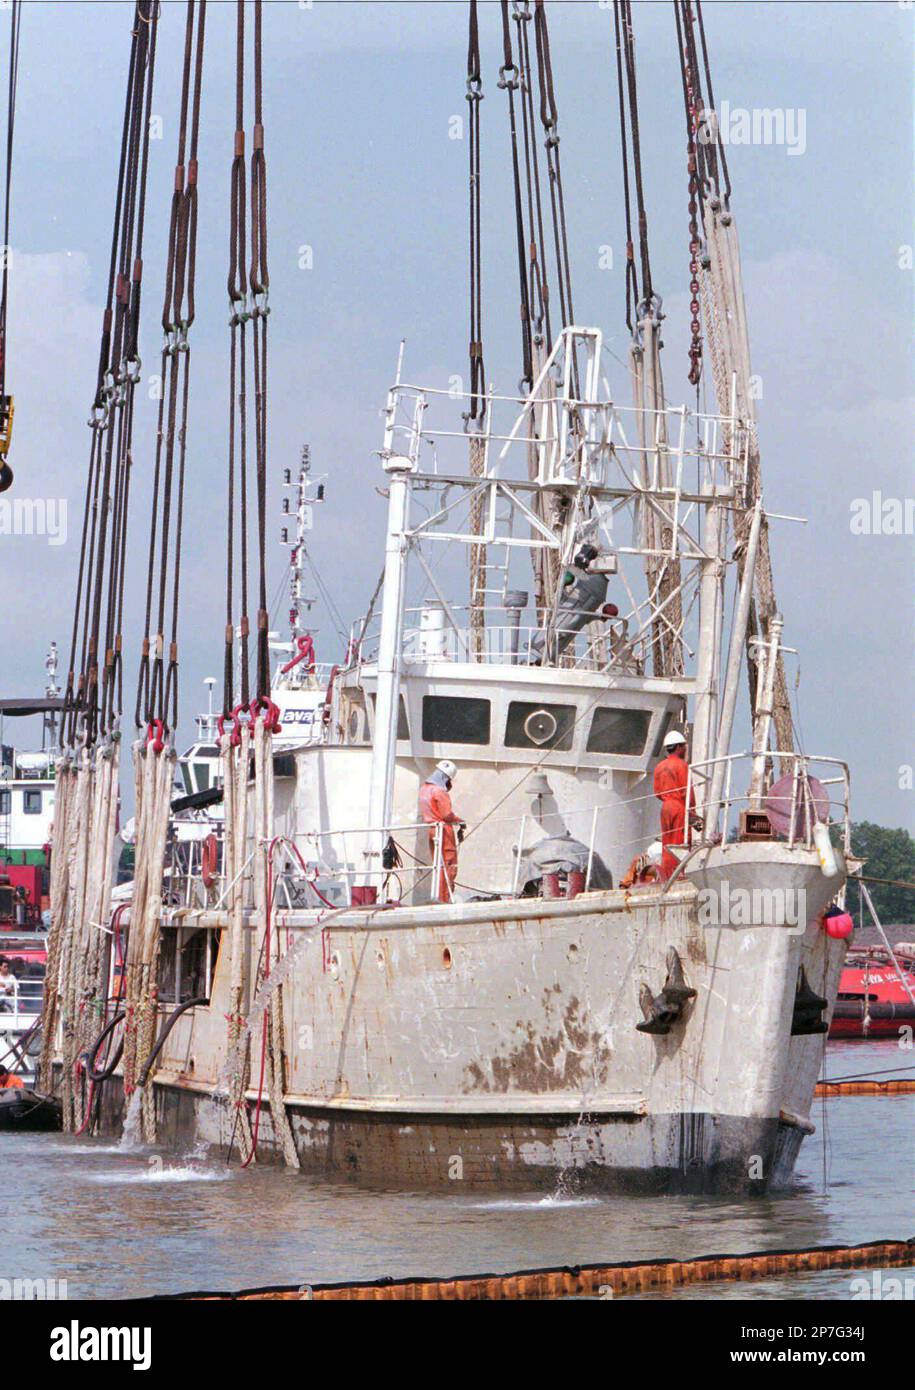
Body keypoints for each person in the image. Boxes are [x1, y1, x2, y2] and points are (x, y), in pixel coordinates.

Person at [653, 730, 701, 879]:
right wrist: (693, 815)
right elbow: (688, 794)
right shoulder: (682, 765)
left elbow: (657, 792)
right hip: (679, 807)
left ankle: (666, 875)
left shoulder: (659, 767)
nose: (686, 749)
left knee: (667, 843)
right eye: (684, 746)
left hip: (665, 807)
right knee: (680, 841)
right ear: (679, 747)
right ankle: (678, 874)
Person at [419, 760, 465, 903]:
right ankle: (444, 899)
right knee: (448, 865)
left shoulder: (424, 789)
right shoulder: (440, 792)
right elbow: (446, 815)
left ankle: (438, 896)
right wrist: (459, 821)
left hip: (432, 830)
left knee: (438, 865)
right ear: (446, 778)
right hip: (443, 831)